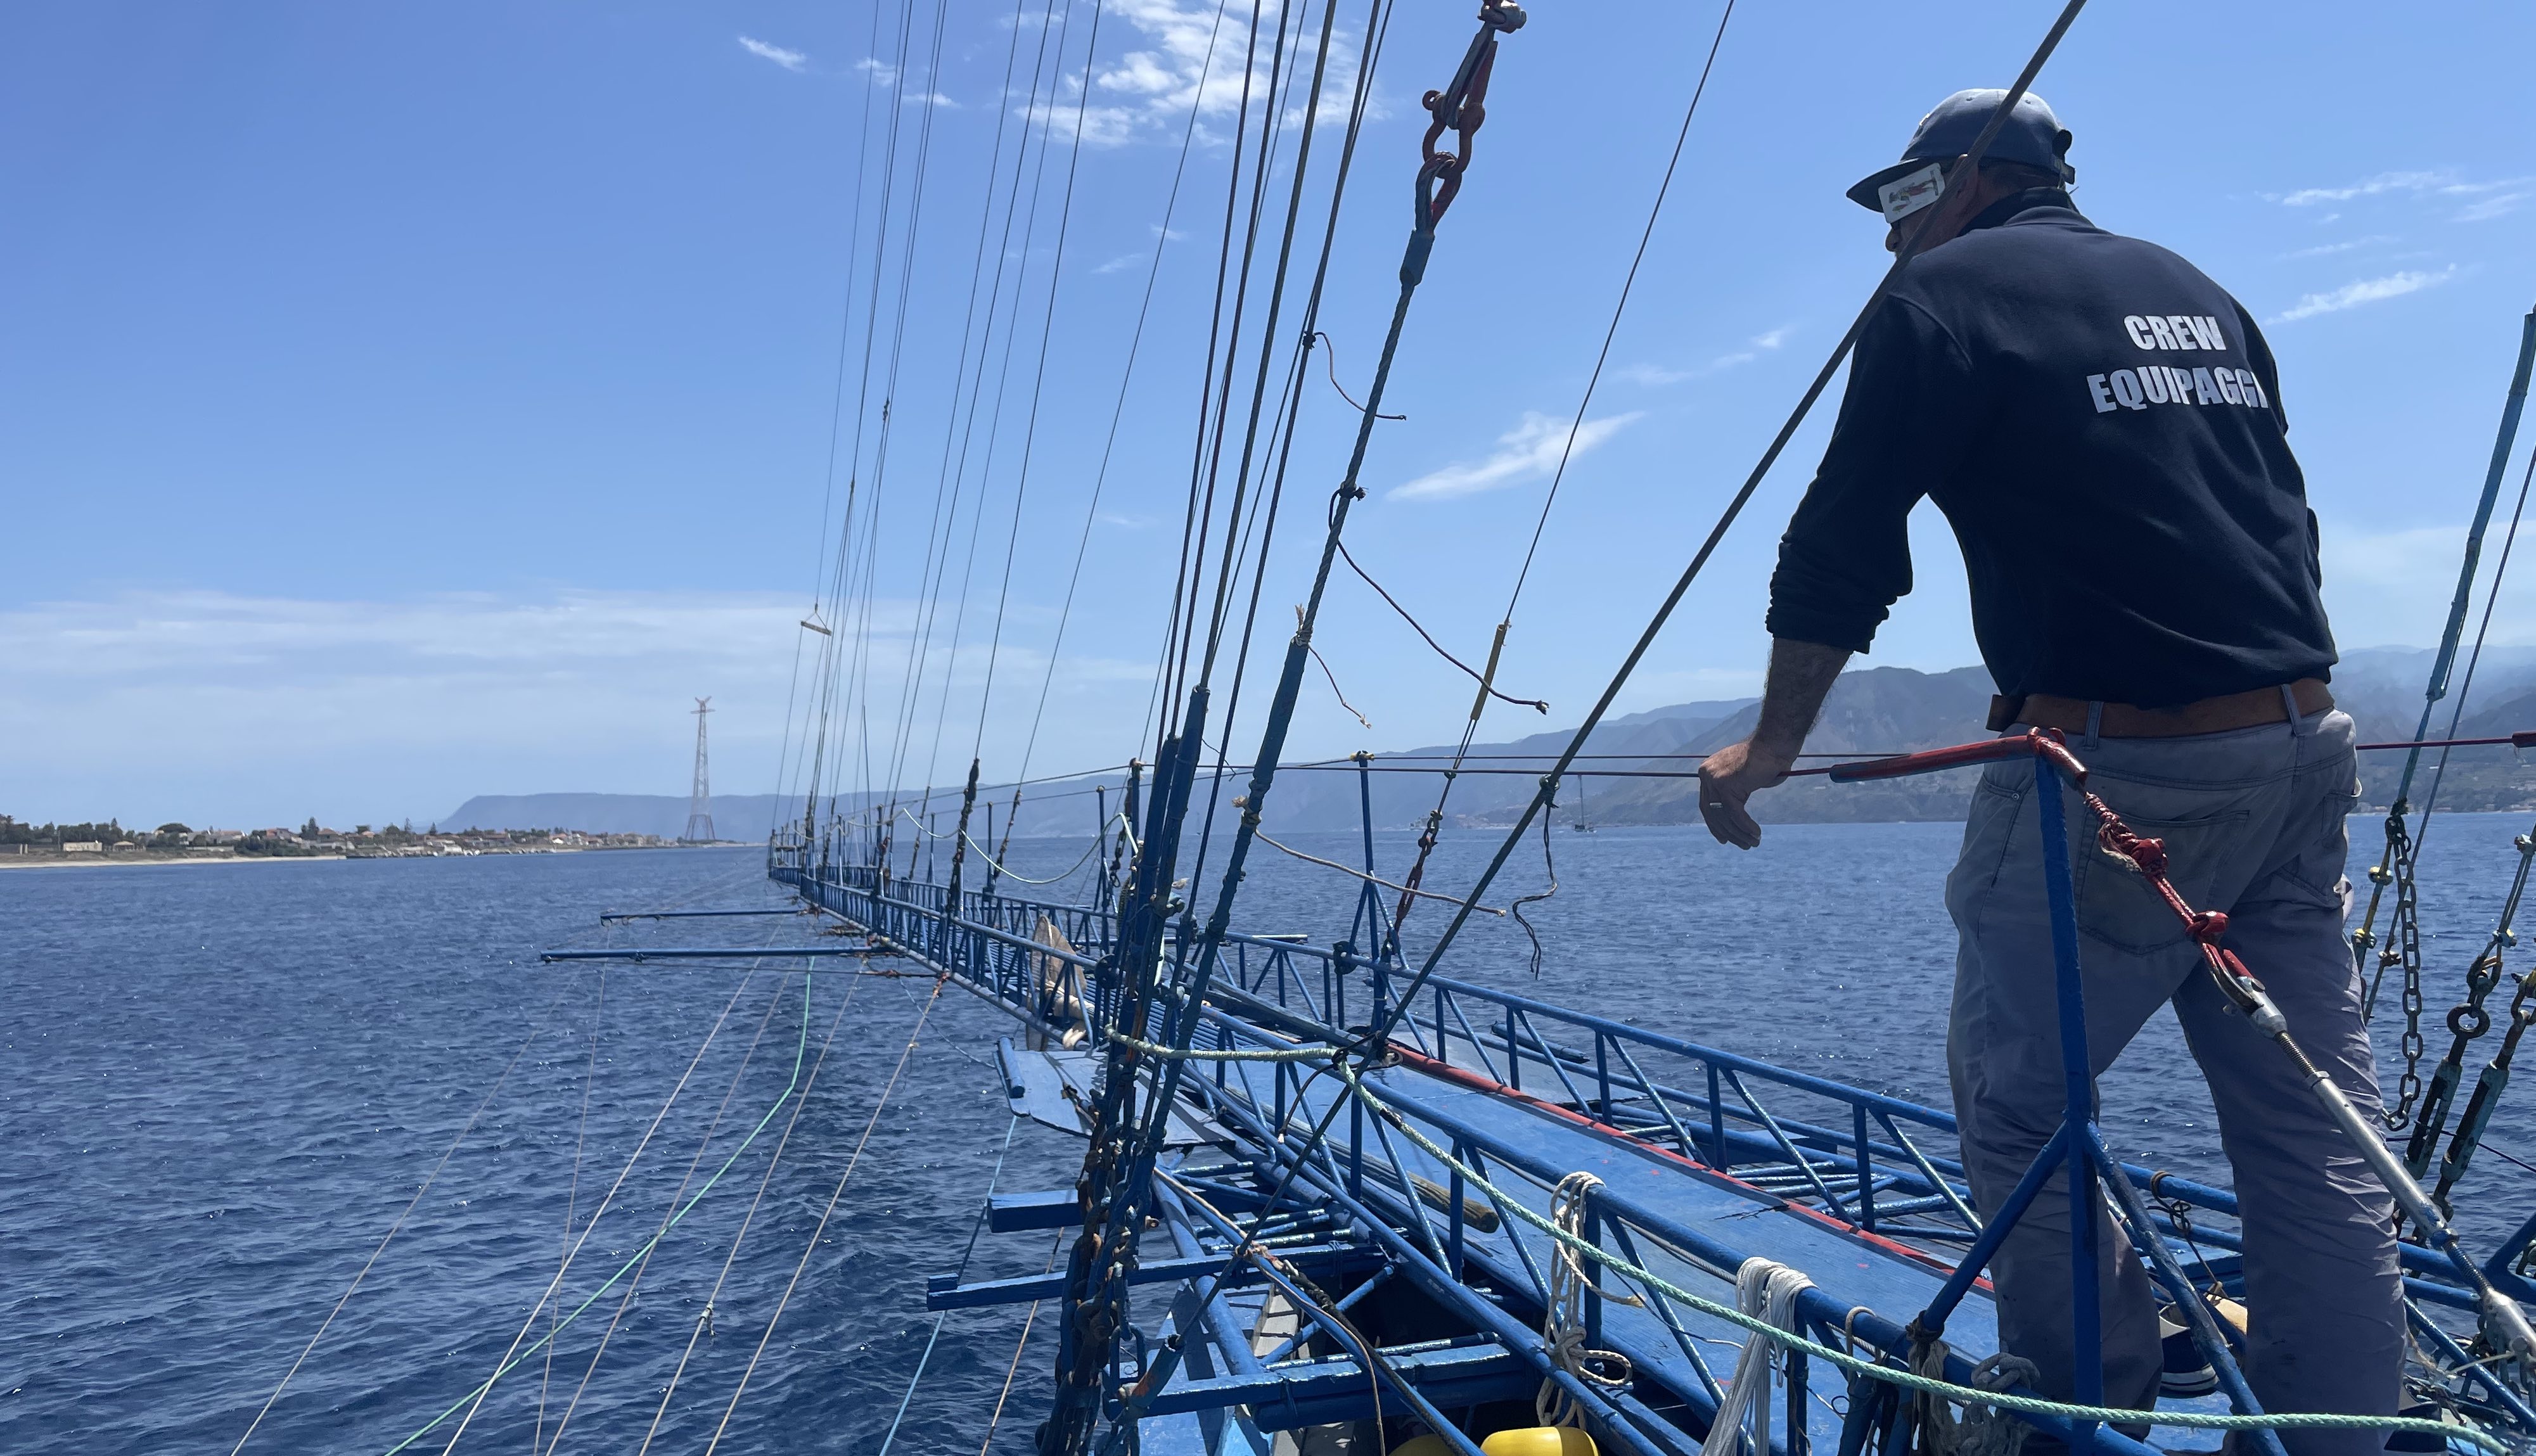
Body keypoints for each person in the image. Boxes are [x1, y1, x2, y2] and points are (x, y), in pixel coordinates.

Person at [1694, 91, 2400, 1455]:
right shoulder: (2201, 293)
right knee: (2315, 1129)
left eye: (1903, 201)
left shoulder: (1943, 299)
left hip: (2111, 770)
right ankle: (2341, 1436)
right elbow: (2281, 518)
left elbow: (1844, 540)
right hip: (2302, 745)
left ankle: (2087, 1413)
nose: (1892, 238)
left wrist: (1773, 743)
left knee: (2023, 1105)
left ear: (1973, 182)